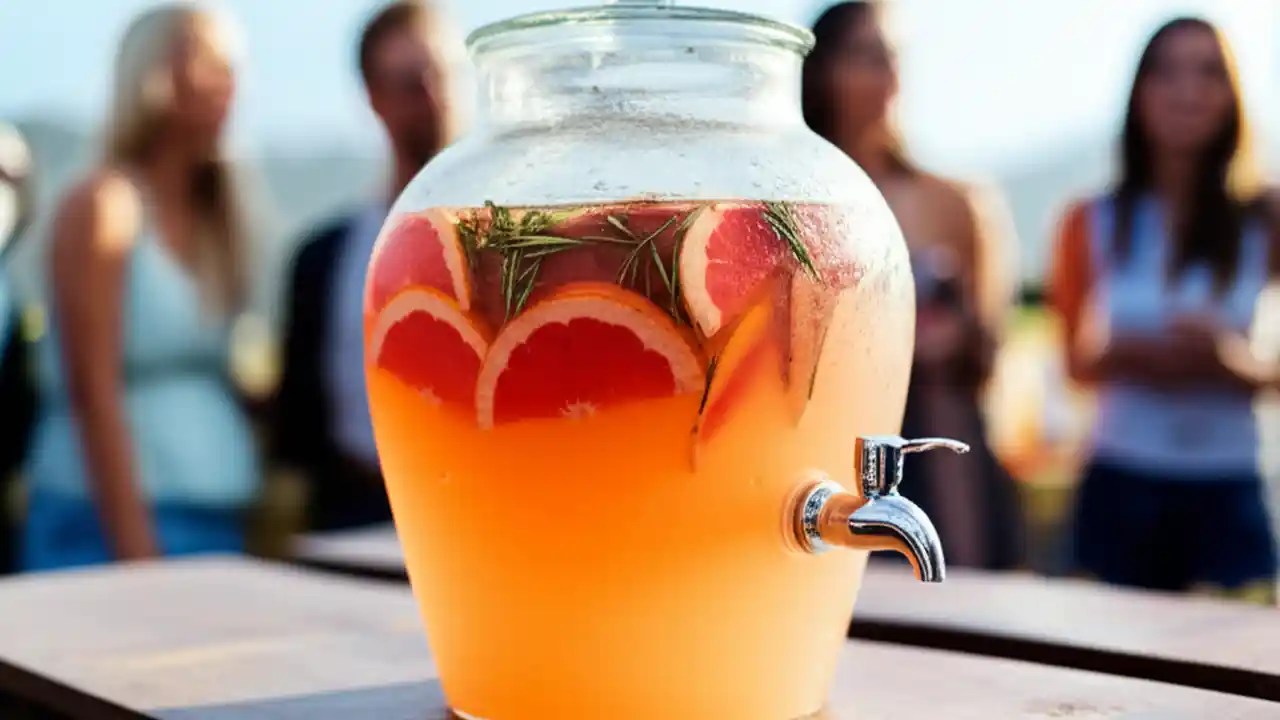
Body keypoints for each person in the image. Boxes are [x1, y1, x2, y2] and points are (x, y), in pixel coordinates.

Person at [1049, 18, 1279, 601]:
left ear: (1233, 94)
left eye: (1208, 72)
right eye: (1167, 71)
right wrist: (1128, 357)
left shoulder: (1266, 217)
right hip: (1121, 483)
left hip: (1229, 488)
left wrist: (1234, 364)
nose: (1187, 91)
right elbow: (1074, 365)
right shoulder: (1089, 219)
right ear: (1139, 92)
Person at [23, 3, 259, 570]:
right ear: (151, 70)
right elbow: (92, 391)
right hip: (106, 534)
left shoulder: (218, 225)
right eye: (206, 59)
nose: (227, 80)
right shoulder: (104, 206)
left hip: (213, 530)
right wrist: (141, 562)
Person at [802, 1, 1024, 569]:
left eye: (893, 56)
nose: (888, 74)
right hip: (817, 447)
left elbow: (992, 345)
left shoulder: (956, 201)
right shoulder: (792, 204)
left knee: (954, 604)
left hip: (935, 444)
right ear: (821, 67)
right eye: (865, 55)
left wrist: (950, 337)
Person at [276, 0, 458, 530]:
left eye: (441, 74)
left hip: (481, 510)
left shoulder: (514, 245)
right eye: (409, 82)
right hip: (352, 509)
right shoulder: (323, 259)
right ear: (374, 99)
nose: (433, 97)